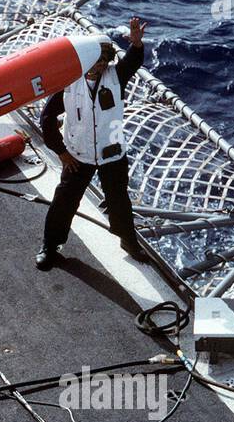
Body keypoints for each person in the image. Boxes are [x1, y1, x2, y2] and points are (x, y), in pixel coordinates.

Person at [35, 16, 149, 270]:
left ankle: (129, 242)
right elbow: (47, 117)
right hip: (78, 155)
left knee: (119, 201)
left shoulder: (116, 77)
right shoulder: (68, 82)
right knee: (64, 202)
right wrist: (61, 152)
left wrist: (137, 43)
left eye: (102, 61)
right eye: (94, 60)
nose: (97, 66)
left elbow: (133, 61)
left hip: (112, 154)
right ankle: (50, 246)